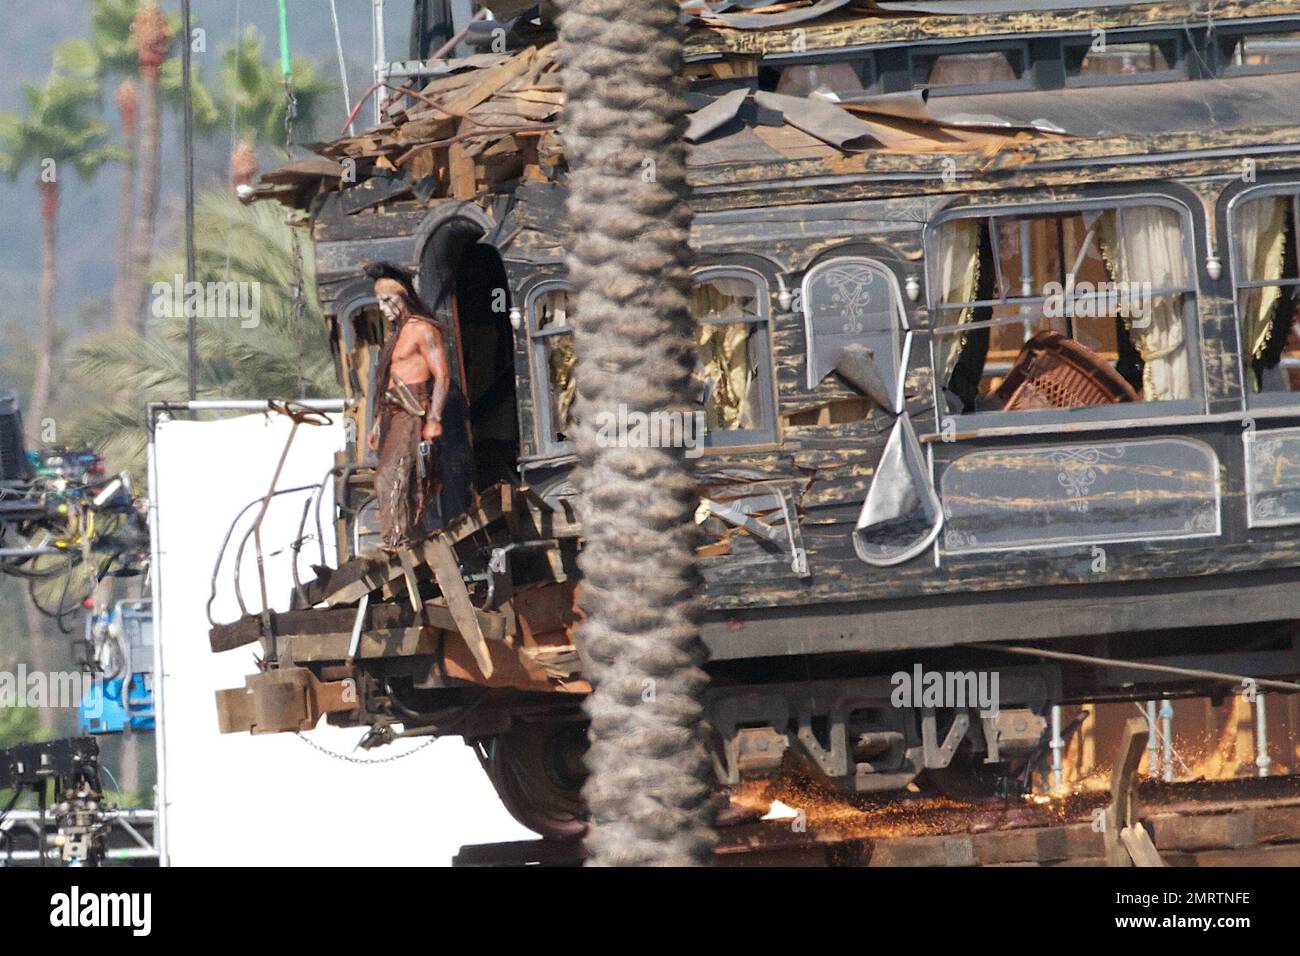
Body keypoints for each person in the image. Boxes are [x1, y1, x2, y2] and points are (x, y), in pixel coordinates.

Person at [364, 262, 465, 549]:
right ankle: (410, 535)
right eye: (379, 302)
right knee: (397, 476)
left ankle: (397, 540)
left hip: (413, 411)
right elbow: (389, 383)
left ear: (403, 296)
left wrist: (434, 418)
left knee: (391, 476)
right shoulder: (395, 335)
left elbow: (443, 376)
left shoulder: (423, 329)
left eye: (387, 301)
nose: (383, 308)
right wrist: (375, 424)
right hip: (392, 412)